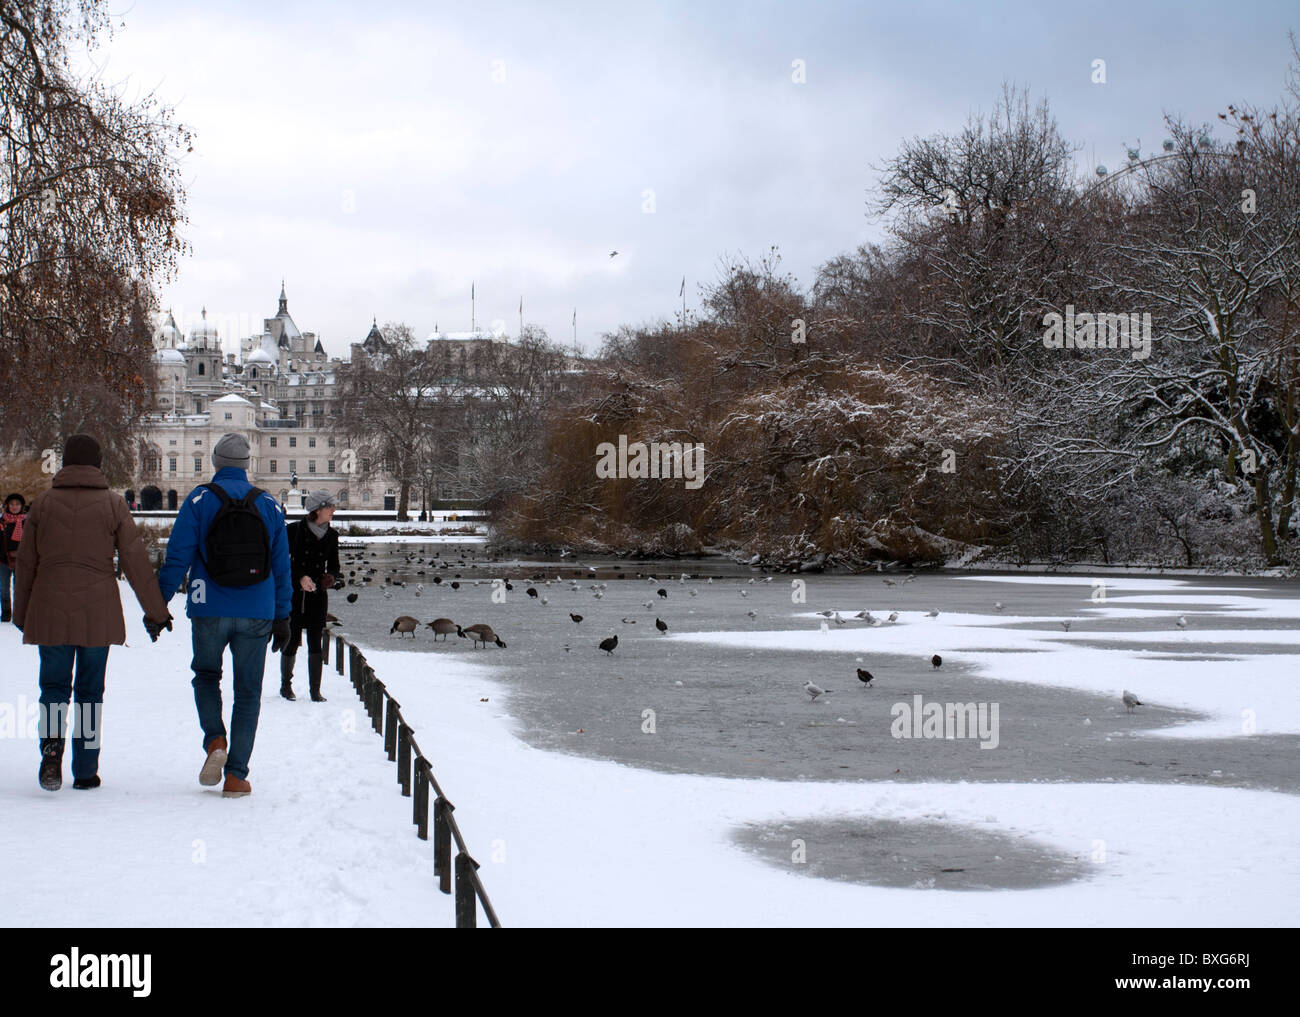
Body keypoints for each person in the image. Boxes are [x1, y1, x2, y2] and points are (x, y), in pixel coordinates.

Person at [11, 435, 174, 791]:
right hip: (97, 609)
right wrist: (157, 612)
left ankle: (51, 751)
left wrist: (22, 613)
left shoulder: (43, 504)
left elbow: (26, 563)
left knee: (53, 687)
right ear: (98, 463)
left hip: (49, 605)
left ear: (65, 462)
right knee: (89, 692)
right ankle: (85, 769)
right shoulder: (114, 505)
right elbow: (134, 562)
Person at [156, 433, 291, 798]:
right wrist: (283, 615)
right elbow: (282, 567)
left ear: (215, 462)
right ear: (247, 465)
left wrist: (158, 605)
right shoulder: (268, 504)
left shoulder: (199, 499)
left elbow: (177, 557)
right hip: (258, 609)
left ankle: (215, 740)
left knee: (205, 676)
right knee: (248, 693)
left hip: (208, 605)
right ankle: (236, 776)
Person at [281, 490, 339, 702]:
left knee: (316, 641)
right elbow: (283, 563)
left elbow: (334, 565)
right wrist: (300, 578)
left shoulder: (332, 536)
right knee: (292, 639)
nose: (334, 510)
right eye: (330, 507)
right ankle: (286, 686)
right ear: (317, 509)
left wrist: (330, 577)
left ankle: (315, 691)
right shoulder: (293, 530)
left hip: (317, 595)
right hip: (294, 594)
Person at [1, 491, 27, 623]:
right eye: (12, 504)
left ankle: (19, 614)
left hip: (21, 561)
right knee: (4, 588)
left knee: (19, 588)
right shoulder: (2, 521)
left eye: (17, 504)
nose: (14, 506)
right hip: (3, 561)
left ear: (21, 506)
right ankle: (6, 613)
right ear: (8, 506)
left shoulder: (27, 522)